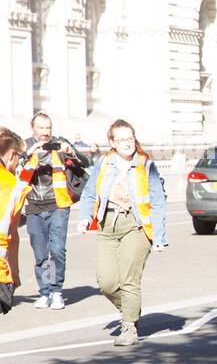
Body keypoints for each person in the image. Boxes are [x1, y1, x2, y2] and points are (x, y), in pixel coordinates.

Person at [76, 119, 168, 346]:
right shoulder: (104, 163)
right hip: (108, 225)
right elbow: (89, 193)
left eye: (130, 138)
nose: (127, 143)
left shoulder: (146, 165)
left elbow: (157, 201)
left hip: (135, 226)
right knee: (106, 282)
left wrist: (159, 237)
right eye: (122, 139)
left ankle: (129, 327)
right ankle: (130, 308)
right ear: (112, 142)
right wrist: (85, 217)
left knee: (129, 280)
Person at [21, 112, 89, 310]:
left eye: (48, 127)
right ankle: (45, 292)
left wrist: (71, 152)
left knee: (57, 249)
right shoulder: (25, 145)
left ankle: (56, 290)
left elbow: (84, 162)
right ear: (32, 128)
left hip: (58, 204)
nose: (45, 132)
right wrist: (28, 153)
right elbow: (10, 166)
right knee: (40, 252)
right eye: (41, 128)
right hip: (34, 205)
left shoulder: (60, 143)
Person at [0, 126, 27, 319]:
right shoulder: (11, 186)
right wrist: (14, 274)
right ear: (11, 155)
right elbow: (11, 235)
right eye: (19, 156)